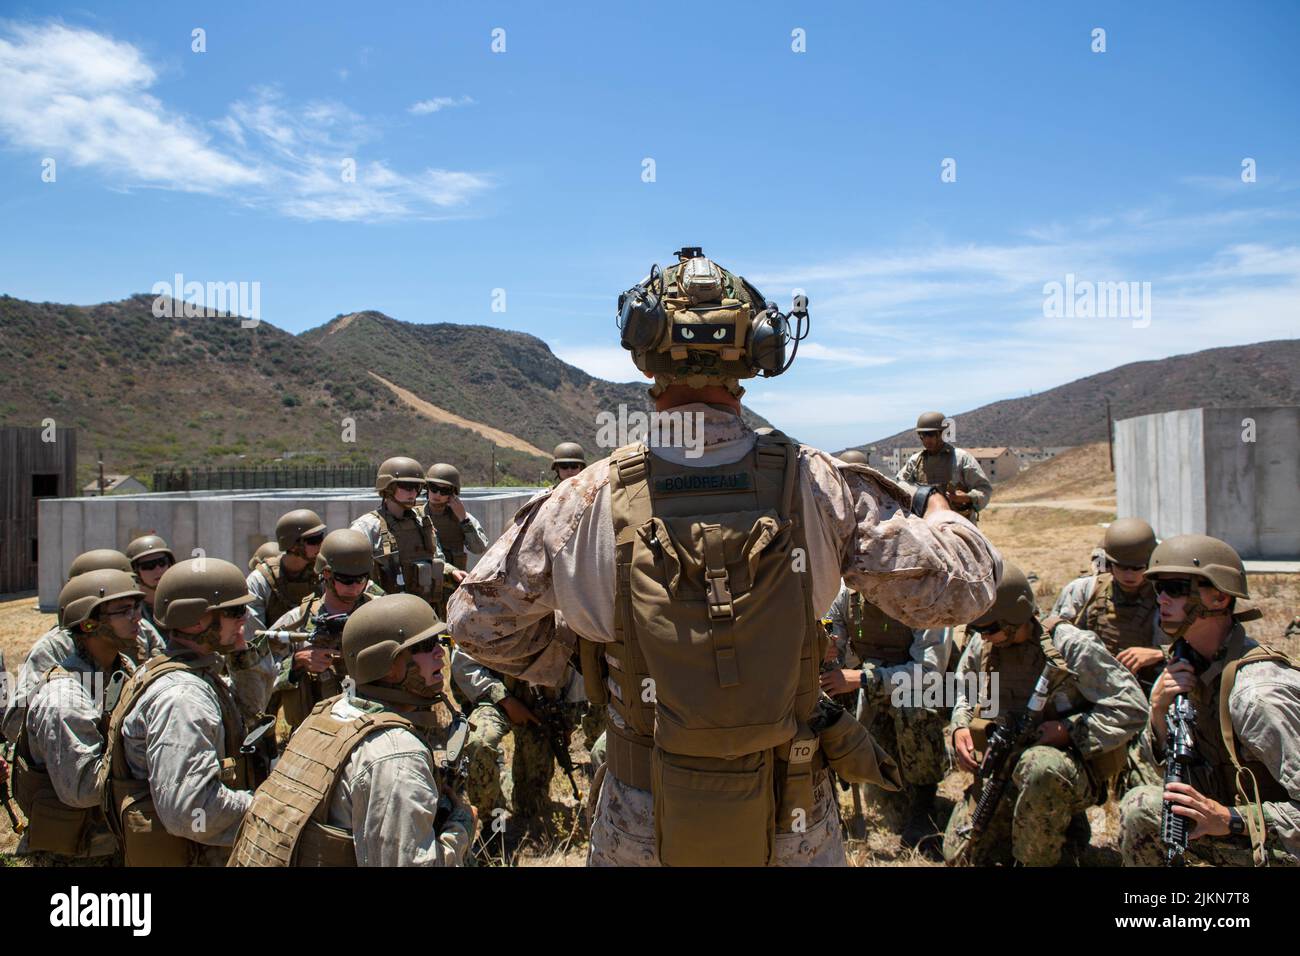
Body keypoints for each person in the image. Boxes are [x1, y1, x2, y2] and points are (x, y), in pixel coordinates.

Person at [448, 247, 1000, 867]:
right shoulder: (818, 484)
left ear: (645, 348)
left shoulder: (586, 496)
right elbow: (967, 591)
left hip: (642, 810)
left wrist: (583, 659)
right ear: (758, 351)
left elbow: (475, 621)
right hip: (789, 808)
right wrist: (942, 514)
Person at [228, 594, 476, 866]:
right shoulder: (397, 754)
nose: (441, 652)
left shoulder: (325, 714)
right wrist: (461, 828)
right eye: (426, 645)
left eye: (440, 642)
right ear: (388, 665)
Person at [943, 564, 1147, 866]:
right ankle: (1064, 831)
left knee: (1039, 767)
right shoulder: (984, 642)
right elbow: (964, 688)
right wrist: (960, 726)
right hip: (1004, 765)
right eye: (979, 629)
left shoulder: (1071, 645)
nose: (984, 637)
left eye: (990, 630)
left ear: (1016, 615)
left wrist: (1069, 729)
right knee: (960, 855)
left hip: (1065, 767)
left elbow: (1131, 706)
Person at [1119, 535, 1300, 866]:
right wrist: (1158, 710)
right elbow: (1156, 762)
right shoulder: (1184, 665)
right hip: (1232, 827)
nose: (1161, 599)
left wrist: (1231, 818)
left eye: (1175, 588)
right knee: (1142, 807)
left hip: (1278, 842)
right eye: (1158, 588)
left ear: (1218, 597)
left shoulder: (1256, 695)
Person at [99, 558, 273, 866]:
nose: (244, 619)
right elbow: (190, 810)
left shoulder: (193, 672)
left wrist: (242, 656)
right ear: (196, 621)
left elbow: (248, 714)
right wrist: (267, 810)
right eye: (234, 612)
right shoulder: (182, 698)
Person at [11, 570, 144, 861]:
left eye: (137, 607)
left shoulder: (121, 671)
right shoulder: (64, 699)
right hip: (77, 855)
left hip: (114, 845)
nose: (137, 617)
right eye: (123, 611)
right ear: (88, 624)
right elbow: (82, 789)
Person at [821, 584, 953, 849]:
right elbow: (838, 657)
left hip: (922, 696)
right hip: (875, 695)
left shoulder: (923, 598)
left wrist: (863, 678)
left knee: (912, 704)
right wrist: (828, 650)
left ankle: (924, 809)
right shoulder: (847, 597)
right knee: (823, 696)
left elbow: (929, 672)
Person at [2, 548, 163, 744]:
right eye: (120, 607)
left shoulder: (142, 634)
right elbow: (15, 723)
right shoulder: (54, 648)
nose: (134, 616)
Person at [265, 529, 376, 731]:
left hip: (371, 727)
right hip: (314, 732)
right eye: (347, 580)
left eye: (361, 579)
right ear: (326, 575)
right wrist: (296, 663)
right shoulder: (297, 620)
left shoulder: (380, 614)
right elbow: (260, 677)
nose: (355, 587)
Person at [1052, 517, 1165, 690]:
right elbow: (1055, 637)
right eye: (1122, 567)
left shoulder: (1165, 598)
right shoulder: (1084, 591)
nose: (1129, 575)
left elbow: (1197, 650)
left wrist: (1158, 653)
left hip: (1146, 689)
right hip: (1091, 687)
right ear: (1110, 564)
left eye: (1137, 568)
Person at [351, 457, 465, 607]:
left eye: (417, 487)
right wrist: (381, 598)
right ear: (388, 487)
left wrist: (451, 572)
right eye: (407, 486)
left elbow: (436, 557)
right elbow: (351, 576)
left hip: (423, 609)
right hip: (384, 612)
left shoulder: (422, 523)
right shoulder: (367, 527)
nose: (413, 493)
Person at [895, 412, 993, 523]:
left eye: (931, 434)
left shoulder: (961, 459)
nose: (926, 440)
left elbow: (984, 489)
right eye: (923, 435)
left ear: (942, 433)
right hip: (926, 525)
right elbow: (899, 487)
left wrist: (968, 497)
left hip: (959, 524)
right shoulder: (915, 461)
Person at [246, 509, 326, 629]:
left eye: (321, 538)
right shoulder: (260, 580)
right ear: (293, 546)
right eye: (313, 541)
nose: (321, 544)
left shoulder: (322, 574)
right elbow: (255, 635)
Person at [424, 463, 489, 571]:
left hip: (455, 581)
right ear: (427, 488)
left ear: (453, 493)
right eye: (434, 488)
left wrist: (463, 520)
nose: (438, 494)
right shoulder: (417, 516)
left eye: (444, 491)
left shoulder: (463, 518)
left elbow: (479, 549)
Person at [125, 534, 175, 632]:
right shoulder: (129, 609)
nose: (158, 569)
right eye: (148, 565)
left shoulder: (181, 599)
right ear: (135, 571)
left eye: (162, 562)